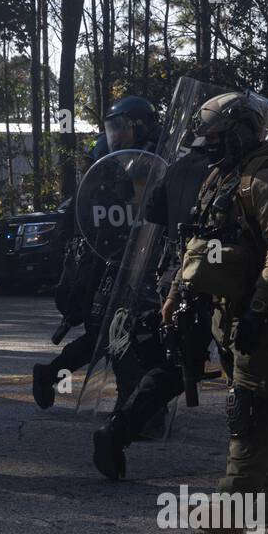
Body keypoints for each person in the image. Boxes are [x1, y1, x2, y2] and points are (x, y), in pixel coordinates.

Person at [166, 91, 268, 534]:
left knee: (247, 407)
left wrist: (259, 308)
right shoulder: (221, 179)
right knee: (259, 402)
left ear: (239, 134)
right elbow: (199, 240)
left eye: (214, 137)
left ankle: (233, 508)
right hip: (230, 314)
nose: (206, 146)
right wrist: (176, 291)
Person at [92, 139, 214, 479]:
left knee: (174, 363)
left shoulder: (179, 168)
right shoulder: (226, 173)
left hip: (177, 276)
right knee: (189, 367)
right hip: (213, 280)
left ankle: (119, 429)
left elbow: (153, 213)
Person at [33, 96, 159, 409]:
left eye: (121, 128)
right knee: (112, 331)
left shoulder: (160, 154)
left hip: (149, 254)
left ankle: (50, 374)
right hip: (108, 257)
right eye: (110, 127)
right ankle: (130, 405)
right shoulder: (105, 156)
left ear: (140, 126)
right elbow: (85, 203)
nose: (114, 135)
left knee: (114, 334)